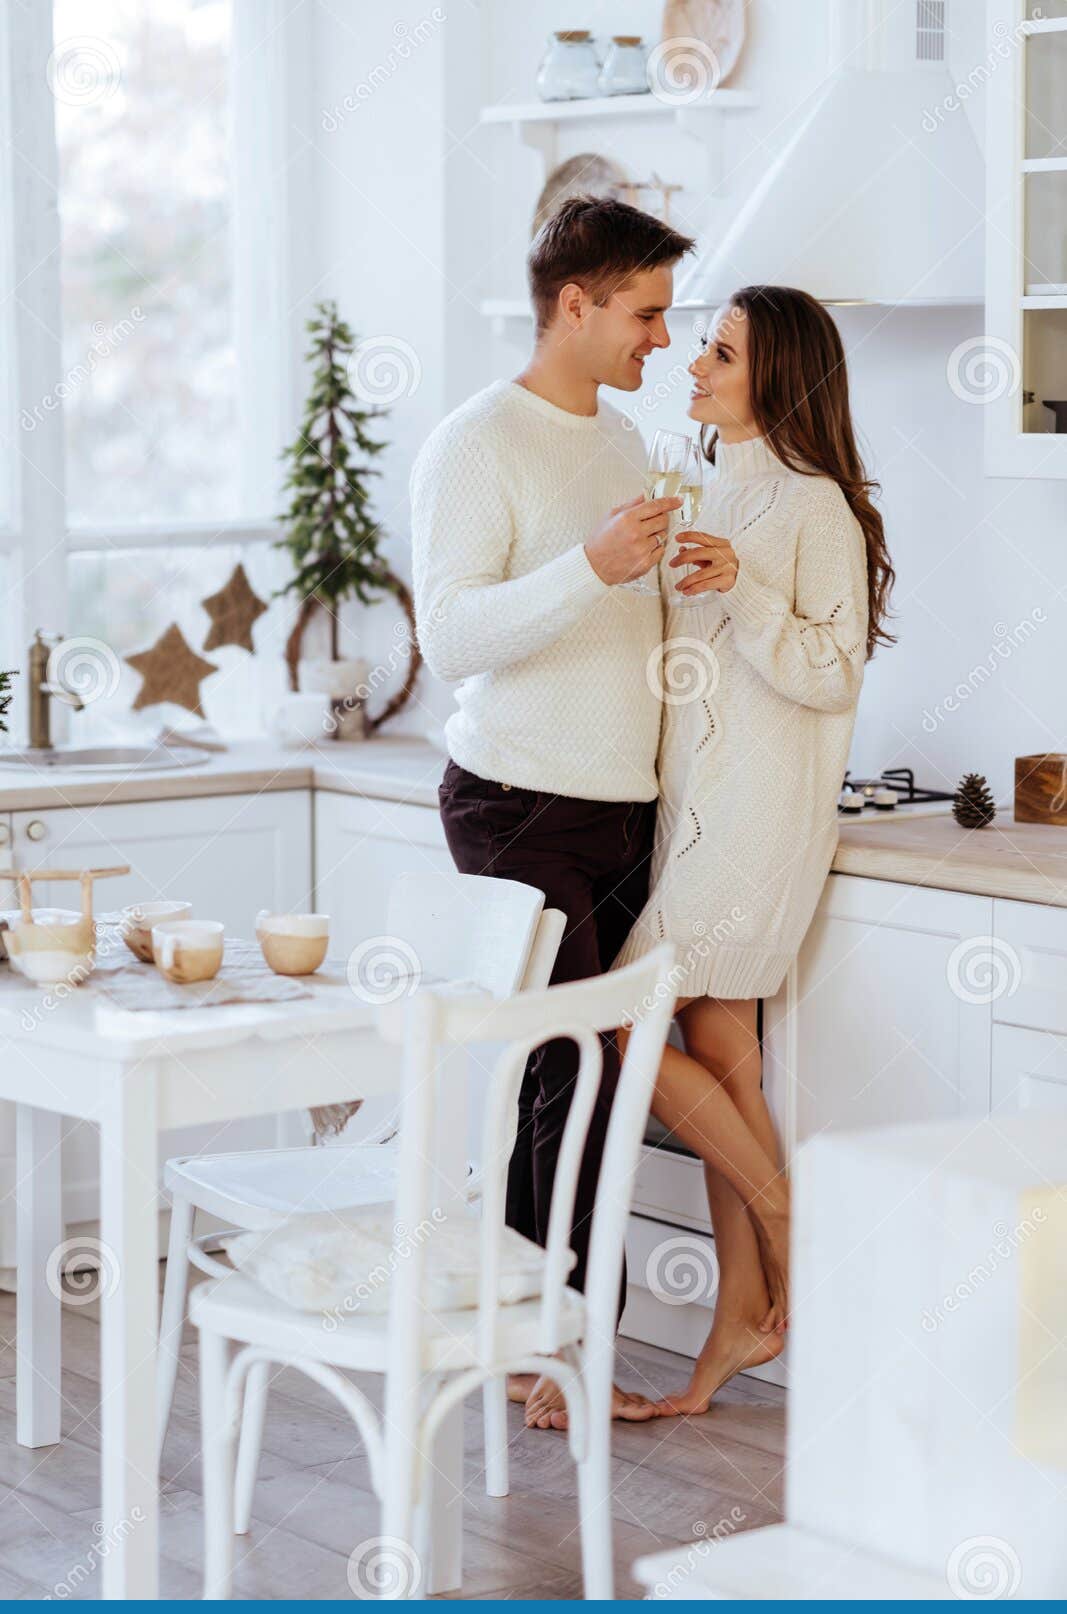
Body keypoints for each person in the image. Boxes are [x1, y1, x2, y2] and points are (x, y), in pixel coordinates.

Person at [410, 196, 694, 1429]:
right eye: (645, 314)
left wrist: (679, 576)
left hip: (622, 806)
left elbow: (619, 619)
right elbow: (448, 635)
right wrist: (591, 565)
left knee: (580, 1073)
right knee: (567, 1069)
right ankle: (550, 1351)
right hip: (516, 799)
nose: (662, 341)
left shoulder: (628, 440)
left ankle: (548, 1343)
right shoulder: (475, 444)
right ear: (574, 305)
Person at [612, 285, 896, 1416]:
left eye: (719, 352)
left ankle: (787, 1218)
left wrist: (746, 589)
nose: (692, 364)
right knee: (723, 1057)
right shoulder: (701, 486)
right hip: (686, 813)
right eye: (699, 345)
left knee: (619, 1022)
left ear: (774, 374)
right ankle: (738, 1317)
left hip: (756, 820)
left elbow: (831, 673)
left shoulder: (815, 507)